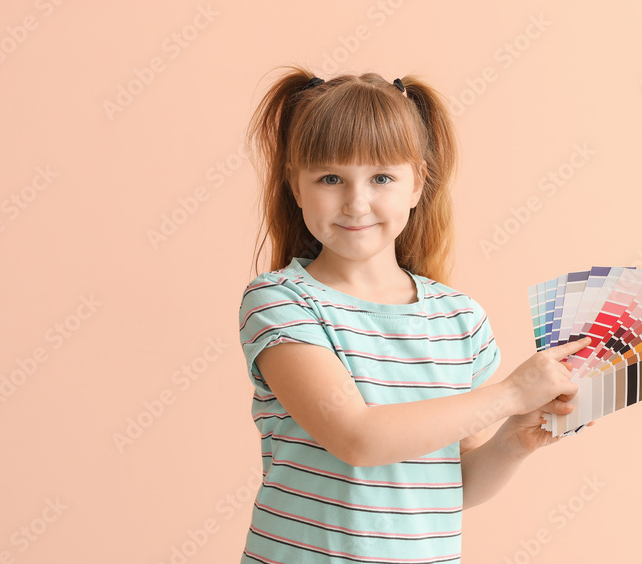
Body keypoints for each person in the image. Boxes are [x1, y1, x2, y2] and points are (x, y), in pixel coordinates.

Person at [237, 64, 595, 563]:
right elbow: (356, 438)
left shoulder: (459, 319)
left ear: (417, 183)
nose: (356, 202)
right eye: (330, 178)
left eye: (382, 177)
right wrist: (510, 395)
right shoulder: (280, 301)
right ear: (295, 187)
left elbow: (455, 484)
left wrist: (514, 440)